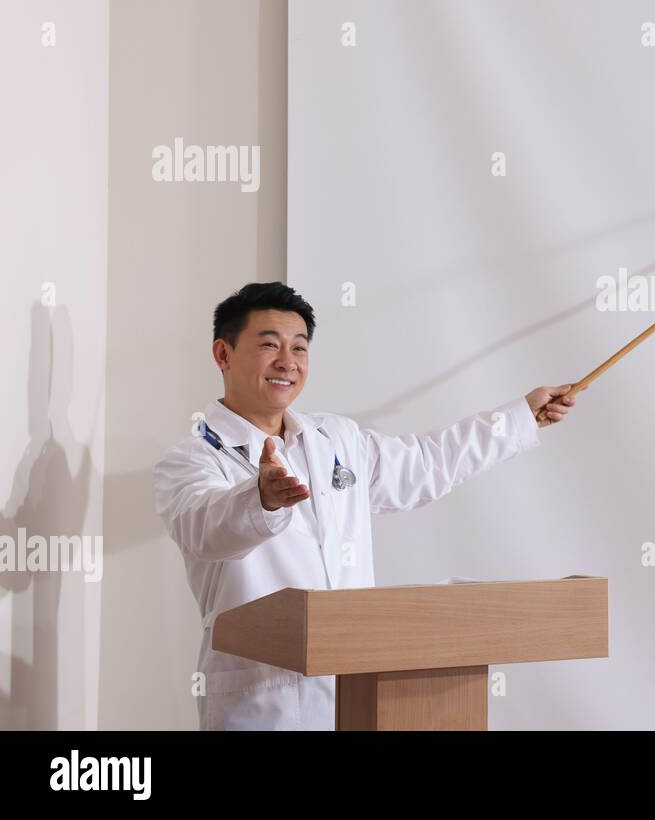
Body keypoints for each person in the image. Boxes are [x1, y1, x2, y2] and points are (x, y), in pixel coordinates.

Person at [153, 282, 576, 730]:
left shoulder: (335, 439)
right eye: (269, 345)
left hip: (356, 695)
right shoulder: (191, 459)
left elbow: (426, 464)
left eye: (299, 348)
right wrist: (261, 497)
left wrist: (519, 418)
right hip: (262, 704)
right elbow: (203, 526)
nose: (287, 362)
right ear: (223, 354)